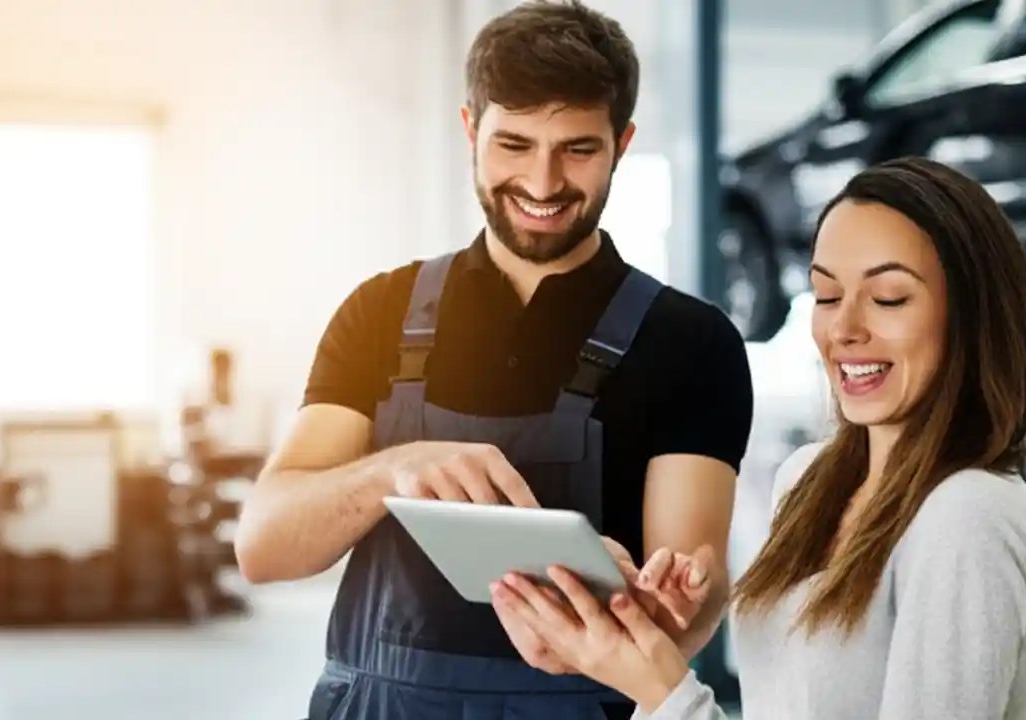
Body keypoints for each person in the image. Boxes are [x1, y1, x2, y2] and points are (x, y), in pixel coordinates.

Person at [233, 2, 753, 718]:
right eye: (514, 144)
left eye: (577, 149)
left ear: (622, 144)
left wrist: (672, 614)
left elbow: (693, 582)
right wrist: (393, 469)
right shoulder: (379, 313)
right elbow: (263, 549)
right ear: (471, 129)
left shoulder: (690, 343)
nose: (543, 183)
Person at [491, 156, 1026, 719]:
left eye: (888, 298)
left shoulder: (971, 515)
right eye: (827, 296)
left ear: (972, 315)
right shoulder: (809, 480)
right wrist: (654, 635)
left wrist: (666, 694)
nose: (844, 329)